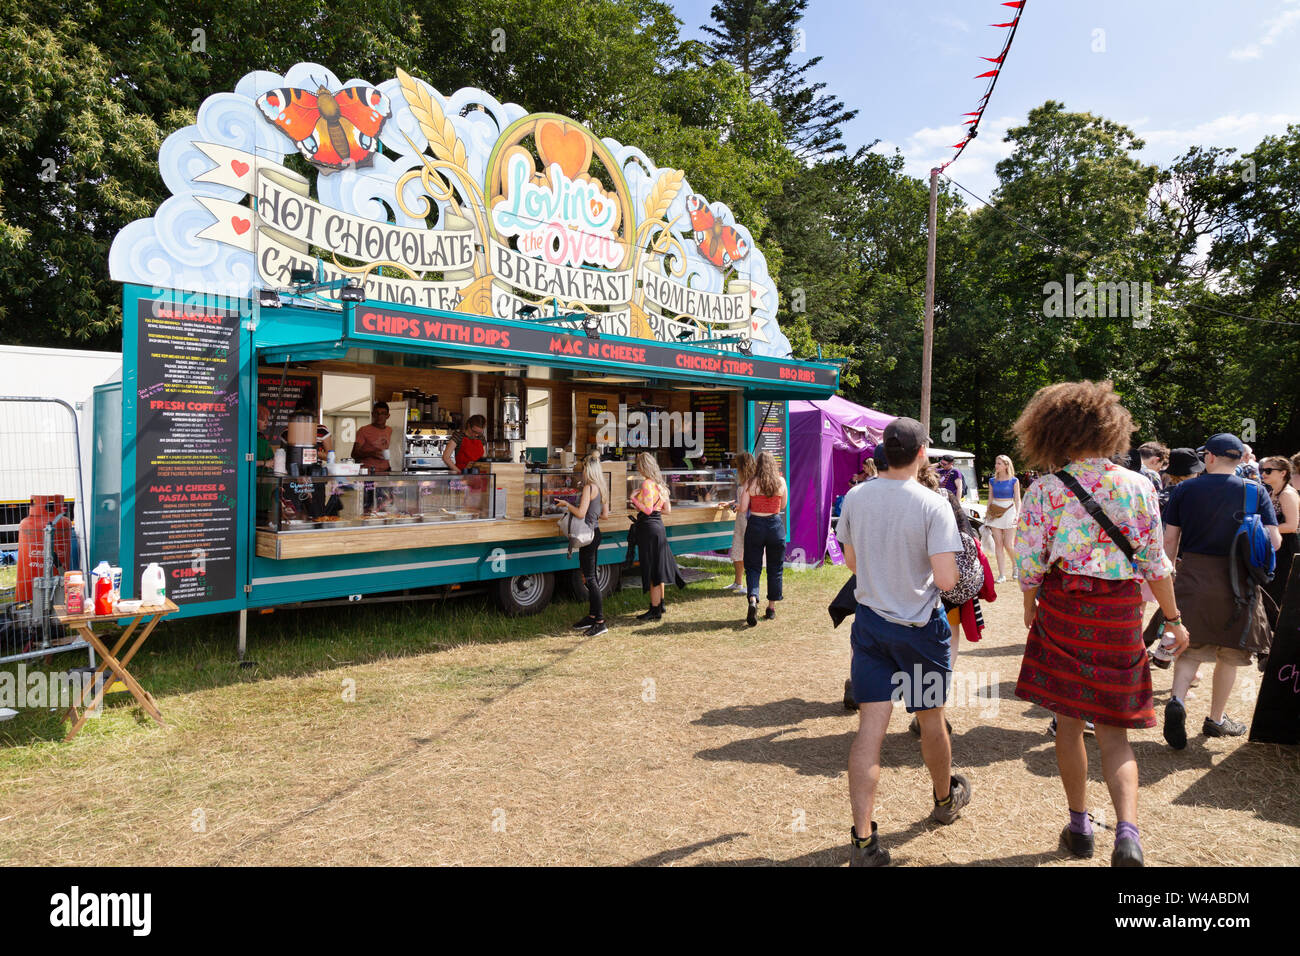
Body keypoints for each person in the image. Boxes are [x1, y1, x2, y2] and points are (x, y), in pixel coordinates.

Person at [1013, 381, 1183, 868]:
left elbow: (1029, 563)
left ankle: (1079, 826)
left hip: (1065, 609)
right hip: (1120, 615)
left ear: (1051, 431)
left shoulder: (1045, 489)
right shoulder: (1139, 485)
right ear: (1110, 428)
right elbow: (1156, 563)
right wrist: (1173, 619)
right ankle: (1128, 834)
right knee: (1115, 732)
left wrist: (1030, 606)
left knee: (1068, 724)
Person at [836, 417, 969, 867]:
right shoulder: (933, 505)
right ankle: (943, 799)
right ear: (919, 454)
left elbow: (852, 562)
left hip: (870, 626)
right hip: (919, 633)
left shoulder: (856, 496)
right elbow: (948, 580)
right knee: (931, 721)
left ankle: (861, 841)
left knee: (870, 730)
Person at [1162, 432, 1280, 748]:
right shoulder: (1256, 491)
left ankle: (1177, 701)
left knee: (1190, 648)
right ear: (1242, 458)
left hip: (1193, 577)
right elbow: (1275, 541)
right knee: (1229, 653)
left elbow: (1170, 541)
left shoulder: (1184, 489)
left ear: (1209, 458)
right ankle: (1216, 719)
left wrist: (1173, 573)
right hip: (1239, 584)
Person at [628, 452, 683, 621]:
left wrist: (633, 499)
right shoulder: (660, 485)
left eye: (638, 465)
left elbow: (647, 510)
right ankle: (661, 603)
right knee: (659, 568)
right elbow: (666, 510)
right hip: (659, 527)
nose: (637, 468)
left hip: (649, 528)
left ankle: (654, 609)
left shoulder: (647, 484)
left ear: (643, 466)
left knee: (652, 569)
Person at [560, 453, 611, 637]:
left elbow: (580, 513)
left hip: (587, 535)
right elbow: (605, 515)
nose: (581, 472)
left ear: (587, 470)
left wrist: (566, 504)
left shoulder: (589, 488)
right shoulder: (602, 488)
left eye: (582, 469)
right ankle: (592, 616)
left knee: (590, 579)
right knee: (589, 577)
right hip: (595, 534)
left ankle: (600, 622)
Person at [738, 451, 787, 627]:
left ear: (758, 465)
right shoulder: (780, 482)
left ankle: (753, 598)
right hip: (775, 526)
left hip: (756, 525)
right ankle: (771, 608)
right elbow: (782, 505)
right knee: (775, 567)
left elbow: (743, 508)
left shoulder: (750, 483)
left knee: (752, 566)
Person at [1258, 455, 1297, 624]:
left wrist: (1263, 529)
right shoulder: (1272, 491)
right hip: (1277, 546)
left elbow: (1292, 526)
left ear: (1282, 473)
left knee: (1279, 591)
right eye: (1262, 470)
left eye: (1268, 470)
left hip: (1287, 549)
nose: (1263, 474)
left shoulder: (1287, 494)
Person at [721, 452, 756, 593]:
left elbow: (743, 506)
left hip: (747, 520)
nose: (735, 468)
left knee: (748, 552)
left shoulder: (751, 482)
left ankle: (748, 585)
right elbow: (742, 501)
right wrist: (731, 503)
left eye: (737, 465)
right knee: (738, 550)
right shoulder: (748, 481)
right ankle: (738, 582)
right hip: (742, 521)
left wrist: (733, 506)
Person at [985, 455, 1022, 583]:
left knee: (1008, 544)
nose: (996, 465)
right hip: (995, 512)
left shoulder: (1014, 480)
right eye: (996, 463)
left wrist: (1017, 515)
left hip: (1009, 511)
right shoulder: (992, 481)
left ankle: (1016, 565)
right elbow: (990, 498)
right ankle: (1002, 575)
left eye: (999, 463)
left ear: (1006, 465)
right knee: (998, 544)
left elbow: (1017, 499)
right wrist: (987, 513)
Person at [351, 401, 394, 474]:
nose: (379, 416)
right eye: (377, 413)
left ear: (388, 416)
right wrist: (371, 453)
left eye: (383, 413)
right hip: (368, 472)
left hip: (386, 471)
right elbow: (354, 454)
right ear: (372, 414)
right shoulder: (363, 430)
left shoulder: (390, 430)